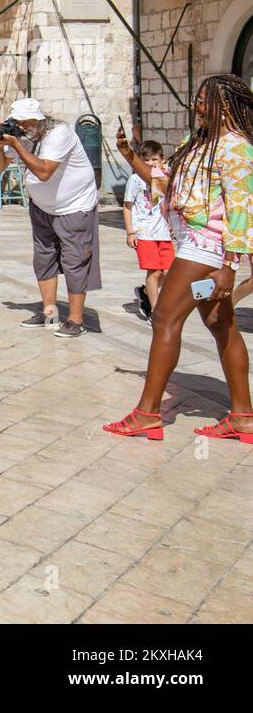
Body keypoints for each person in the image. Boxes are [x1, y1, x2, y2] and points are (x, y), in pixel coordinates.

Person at [105, 76, 253, 443]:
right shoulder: (195, 144)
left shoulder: (236, 148)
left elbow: (241, 209)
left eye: (205, 101)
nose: (197, 106)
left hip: (208, 248)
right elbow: (161, 181)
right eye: (197, 99)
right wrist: (128, 154)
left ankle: (148, 413)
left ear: (227, 105)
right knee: (222, 325)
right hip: (191, 241)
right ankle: (243, 417)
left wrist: (229, 267)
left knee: (164, 318)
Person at [0, 97, 101, 338]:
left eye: (27, 123)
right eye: (19, 123)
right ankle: (49, 312)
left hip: (74, 205)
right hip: (42, 206)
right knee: (44, 258)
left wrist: (17, 146)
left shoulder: (59, 133)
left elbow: (43, 172)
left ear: (39, 121)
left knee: (74, 261)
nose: (23, 128)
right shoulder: (20, 137)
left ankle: (75, 319)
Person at [119, 139, 172, 321]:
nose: (150, 163)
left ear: (162, 159)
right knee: (154, 271)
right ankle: (155, 311)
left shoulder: (166, 176)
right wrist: (130, 232)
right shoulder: (135, 180)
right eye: (146, 160)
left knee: (168, 271)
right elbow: (127, 206)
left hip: (164, 232)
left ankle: (147, 292)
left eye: (154, 159)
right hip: (144, 232)